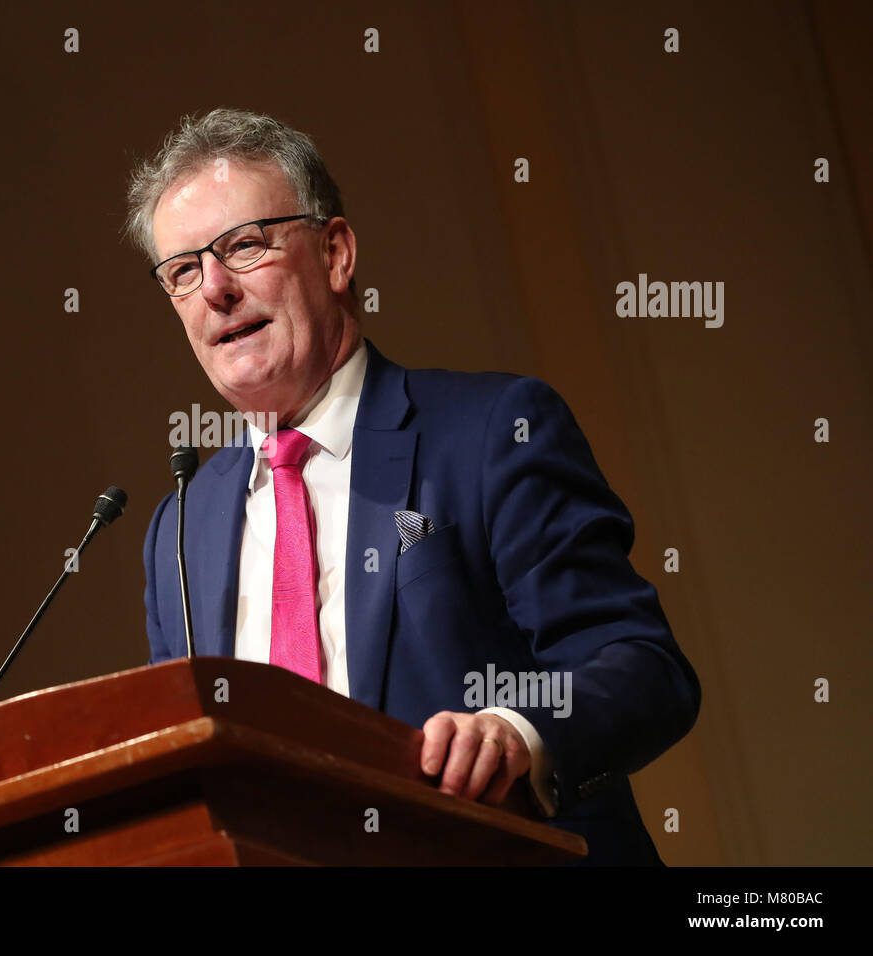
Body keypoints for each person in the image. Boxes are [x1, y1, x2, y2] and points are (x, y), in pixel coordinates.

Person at [124, 108, 700, 865]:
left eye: (244, 246)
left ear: (335, 254)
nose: (215, 291)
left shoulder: (492, 432)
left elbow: (642, 669)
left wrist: (518, 733)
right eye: (183, 271)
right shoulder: (178, 530)